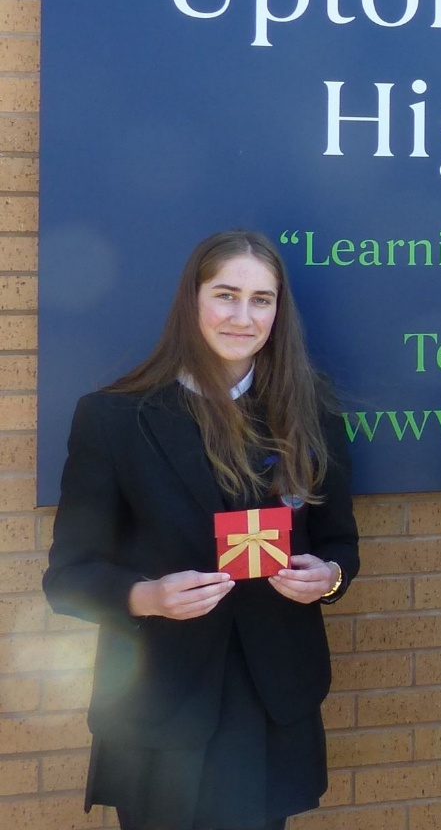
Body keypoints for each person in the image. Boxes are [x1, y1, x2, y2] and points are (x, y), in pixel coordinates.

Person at [44, 230, 359, 830]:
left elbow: (340, 543)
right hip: (160, 703)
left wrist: (330, 577)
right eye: (226, 295)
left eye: (261, 300)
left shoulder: (311, 415)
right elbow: (68, 577)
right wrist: (148, 597)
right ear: (192, 300)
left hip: (271, 700)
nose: (243, 316)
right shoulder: (113, 419)